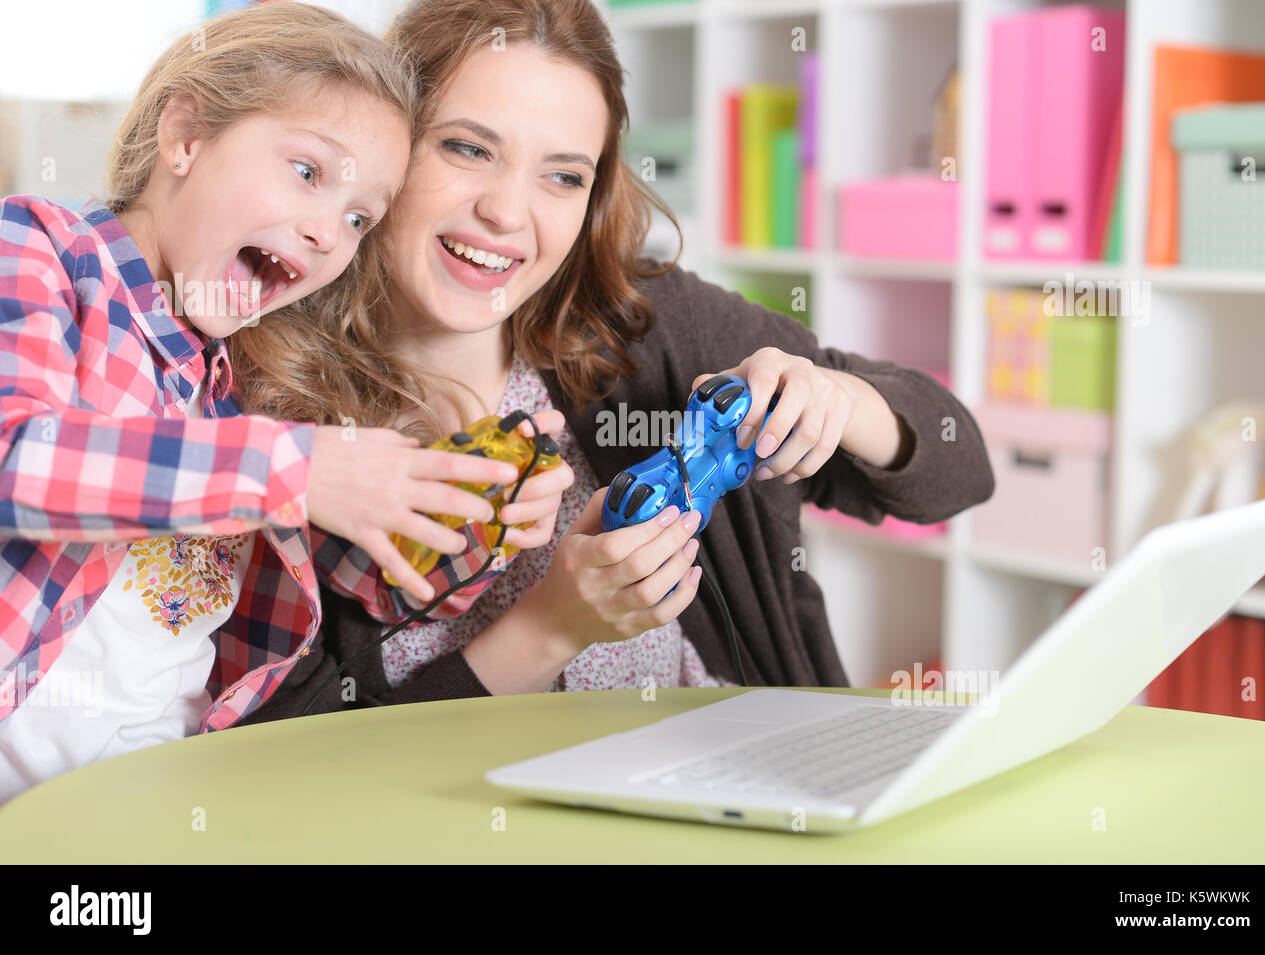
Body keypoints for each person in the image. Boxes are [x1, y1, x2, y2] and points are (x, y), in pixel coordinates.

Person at [232, 0, 994, 721]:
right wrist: (551, 628)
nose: (507, 212)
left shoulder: (643, 325)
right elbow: (309, 760)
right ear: (389, 143)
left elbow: (960, 471)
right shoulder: (269, 414)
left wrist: (839, 401)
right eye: (468, 148)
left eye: (563, 175)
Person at [0, 2, 534, 803]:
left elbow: (372, 584)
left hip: (155, 799)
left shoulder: (233, 389)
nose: (329, 232)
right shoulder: (38, 251)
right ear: (186, 134)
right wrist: (296, 467)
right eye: (309, 171)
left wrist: (479, 512)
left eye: (360, 217)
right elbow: (20, 459)